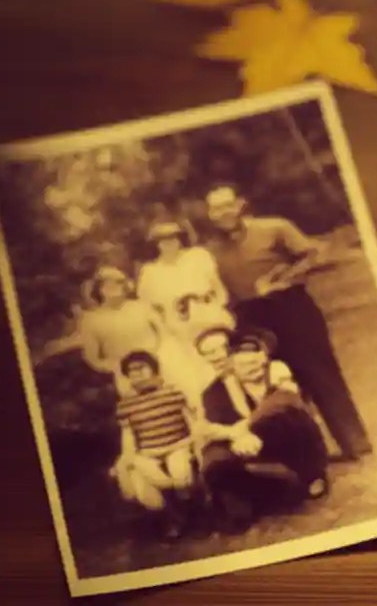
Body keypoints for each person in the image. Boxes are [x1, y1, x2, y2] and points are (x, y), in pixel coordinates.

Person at [201, 183, 371, 459]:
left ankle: (354, 442)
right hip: (251, 318)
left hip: (292, 308)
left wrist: (283, 279)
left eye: (227, 205)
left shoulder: (274, 228)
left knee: (321, 374)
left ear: (240, 204)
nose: (223, 213)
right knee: (273, 383)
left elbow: (314, 253)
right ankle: (306, 451)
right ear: (208, 214)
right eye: (215, 208)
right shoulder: (210, 253)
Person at [194, 327, 329, 532]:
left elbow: (286, 398)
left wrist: (249, 425)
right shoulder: (213, 391)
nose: (218, 355)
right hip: (246, 449)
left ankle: (310, 476)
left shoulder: (273, 369)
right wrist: (236, 434)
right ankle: (246, 499)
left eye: (222, 347)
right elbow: (211, 426)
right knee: (214, 456)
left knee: (292, 418)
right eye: (209, 352)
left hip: (282, 440)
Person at [136, 220, 234, 401]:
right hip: (177, 327)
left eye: (173, 238)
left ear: (180, 239)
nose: (169, 243)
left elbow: (218, 288)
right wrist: (165, 329)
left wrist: (218, 309)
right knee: (193, 375)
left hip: (208, 314)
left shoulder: (198, 256)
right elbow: (148, 309)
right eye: (162, 240)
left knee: (226, 365)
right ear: (156, 244)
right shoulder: (150, 272)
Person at [111, 350, 201, 541]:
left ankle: (190, 513)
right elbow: (128, 437)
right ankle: (170, 517)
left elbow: (192, 423)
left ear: (154, 370)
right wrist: (126, 460)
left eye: (141, 368)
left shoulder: (173, 392)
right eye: (131, 371)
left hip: (178, 445)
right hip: (148, 452)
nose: (136, 373)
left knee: (181, 476)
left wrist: (195, 444)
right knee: (147, 484)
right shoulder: (126, 404)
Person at [77, 266, 164, 397]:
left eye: (119, 283)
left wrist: (156, 356)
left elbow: (164, 334)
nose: (114, 287)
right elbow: (93, 358)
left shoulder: (142, 307)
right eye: (108, 284)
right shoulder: (91, 320)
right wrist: (117, 367)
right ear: (99, 289)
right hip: (125, 374)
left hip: (158, 363)